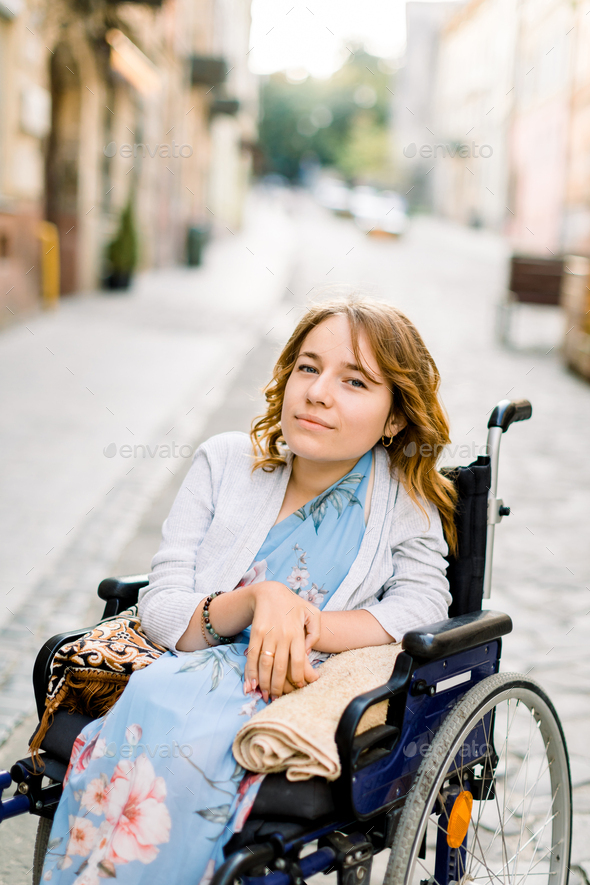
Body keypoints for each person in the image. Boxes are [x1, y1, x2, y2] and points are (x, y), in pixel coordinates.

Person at [40, 294, 458, 885]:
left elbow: (423, 606)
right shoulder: (225, 464)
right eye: (307, 368)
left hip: (303, 681)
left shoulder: (405, 503)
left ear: (394, 419)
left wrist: (309, 624)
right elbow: (160, 611)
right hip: (189, 665)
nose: (317, 392)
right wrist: (261, 602)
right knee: (160, 699)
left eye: (355, 381)